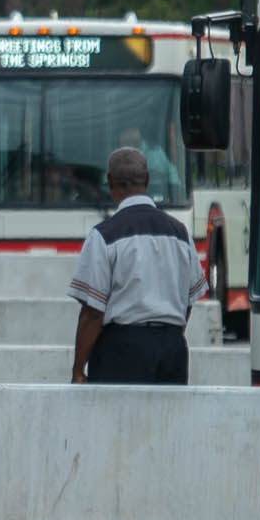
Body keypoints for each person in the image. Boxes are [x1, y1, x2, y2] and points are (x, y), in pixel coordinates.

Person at [68, 147, 203, 385]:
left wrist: (78, 369)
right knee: (168, 421)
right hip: (173, 349)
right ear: (148, 180)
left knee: (118, 421)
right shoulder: (181, 234)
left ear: (109, 182)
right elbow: (190, 299)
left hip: (121, 350)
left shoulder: (103, 236)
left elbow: (92, 312)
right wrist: (168, 335)